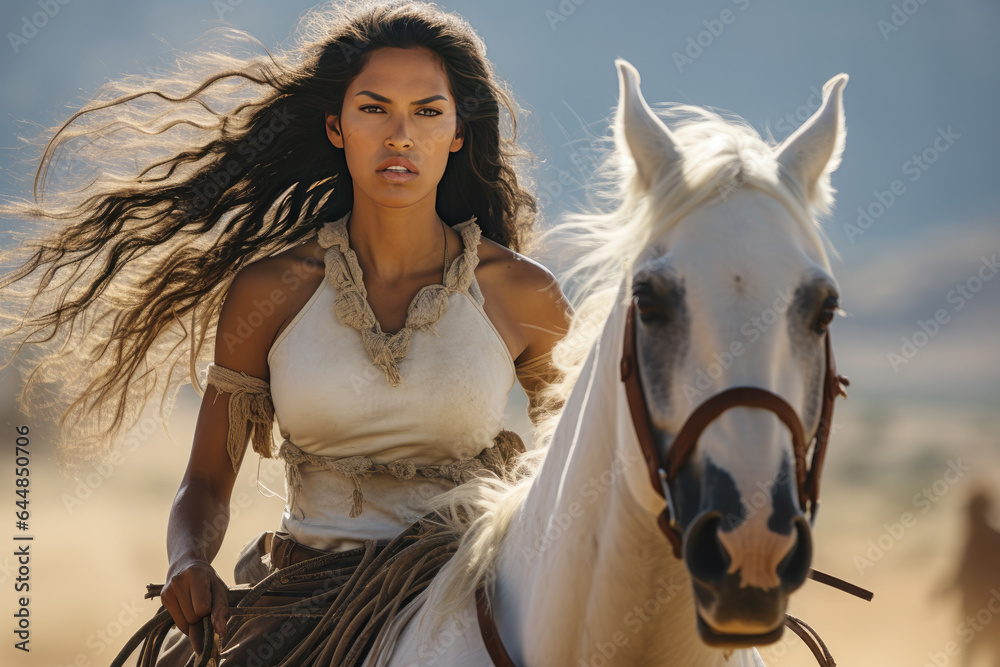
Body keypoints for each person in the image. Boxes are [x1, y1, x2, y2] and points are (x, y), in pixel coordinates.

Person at [0, 0, 572, 663]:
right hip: (305, 599)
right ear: (336, 127)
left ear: (457, 133)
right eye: (373, 108)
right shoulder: (270, 292)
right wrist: (188, 558)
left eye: (427, 112)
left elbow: (584, 459)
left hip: (470, 592)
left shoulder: (522, 294)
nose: (399, 136)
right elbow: (207, 481)